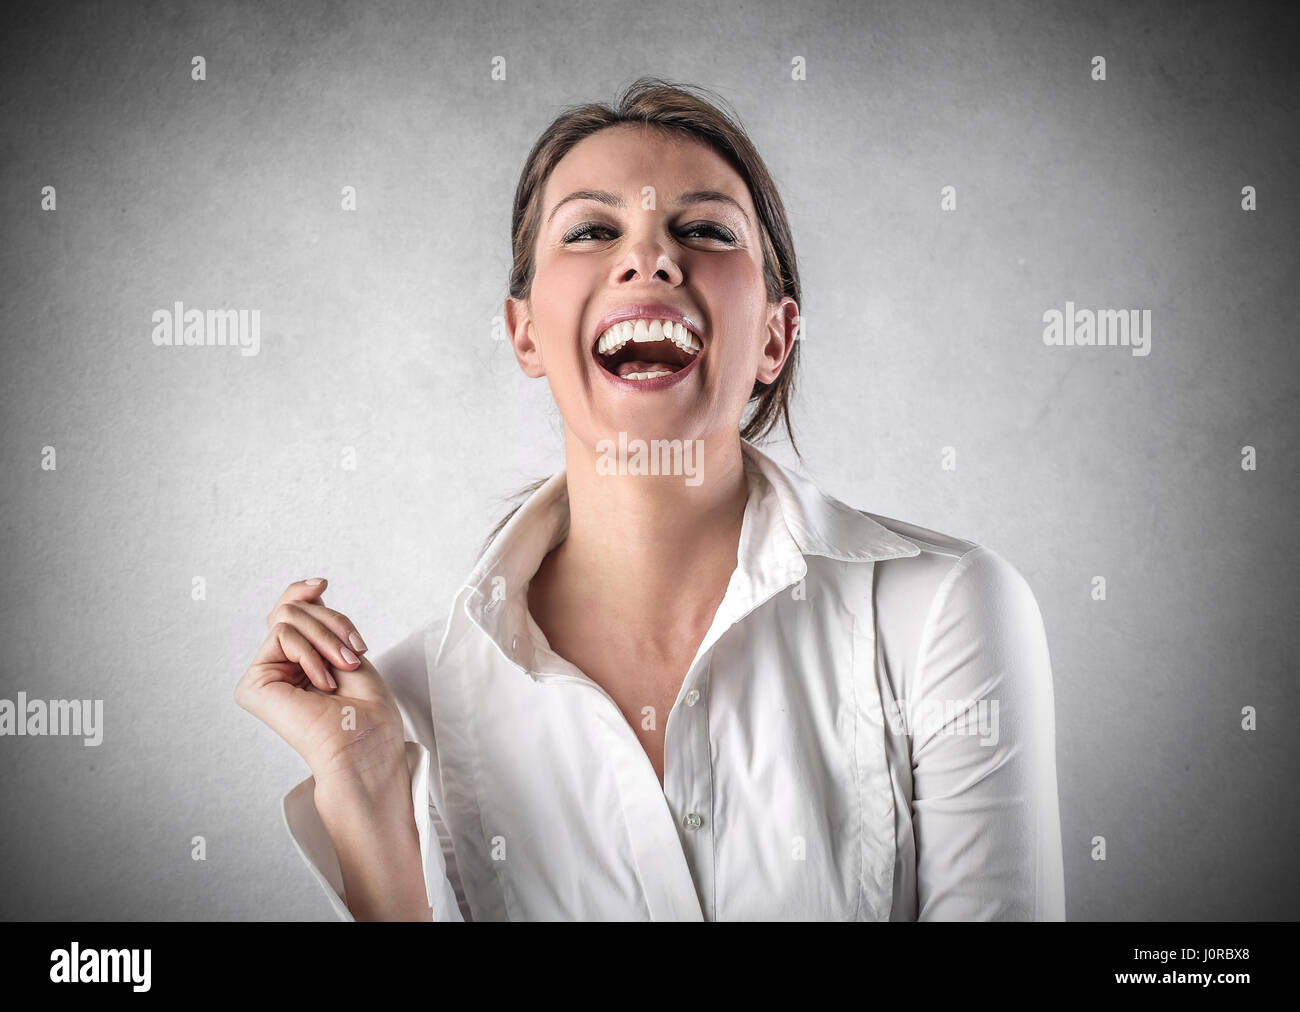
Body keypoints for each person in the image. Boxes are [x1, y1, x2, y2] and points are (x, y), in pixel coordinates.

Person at [235, 77, 1066, 922]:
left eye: (704, 230)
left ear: (776, 337)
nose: (651, 259)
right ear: (524, 332)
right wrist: (368, 793)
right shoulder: (407, 711)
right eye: (593, 230)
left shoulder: (946, 614)